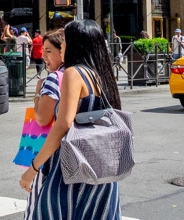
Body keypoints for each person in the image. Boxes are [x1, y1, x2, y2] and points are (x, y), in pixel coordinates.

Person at [21, 20, 123, 220]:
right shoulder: (99, 74)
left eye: (65, 40)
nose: (62, 45)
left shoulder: (73, 73)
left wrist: (33, 167)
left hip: (71, 170)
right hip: (99, 167)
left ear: (76, 44)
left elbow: (63, 125)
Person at [32, 30, 65, 127]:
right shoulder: (82, 72)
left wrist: (38, 92)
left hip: (60, 135)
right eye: (43, 50)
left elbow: (42, 119)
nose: (43, 56)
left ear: (62, 50)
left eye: (48, 51)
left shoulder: (54, 78)